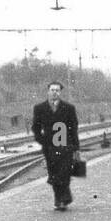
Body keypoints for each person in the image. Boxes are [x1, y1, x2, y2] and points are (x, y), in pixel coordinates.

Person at [31, 81, 80, 210]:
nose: (55, 92)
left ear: (60, 92)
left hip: (65, 145)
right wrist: (42, 141)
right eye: (52, 90)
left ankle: (61, 200)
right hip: (49, 147)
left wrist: (76, 147)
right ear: (48, 91)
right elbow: (35, 128)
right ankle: (61, 198)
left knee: (64, 173)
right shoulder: (40, 108)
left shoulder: (69, 108)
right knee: (54, 174)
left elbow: (74, 128)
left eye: (57, 90)